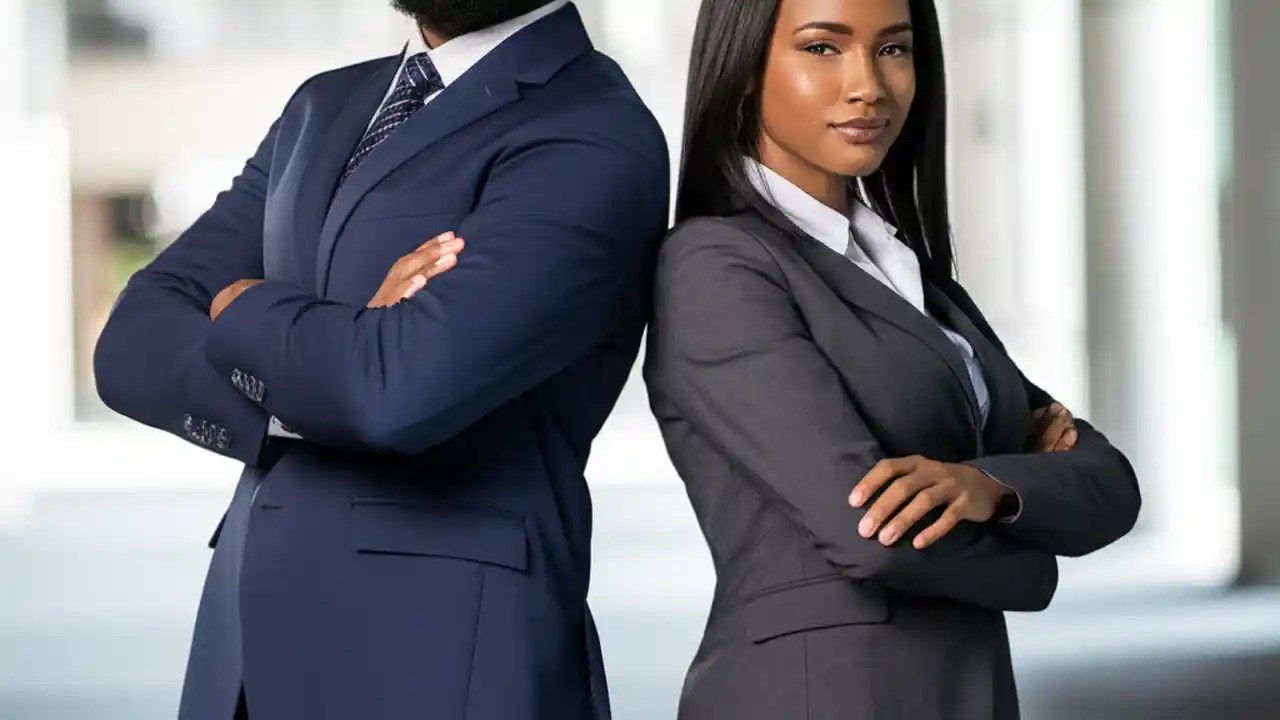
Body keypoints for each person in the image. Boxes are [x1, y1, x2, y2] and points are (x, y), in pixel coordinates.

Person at [93, 1, 669, 718]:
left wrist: (240, 305)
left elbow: (394, 391)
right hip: (241, 661)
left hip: (438, 660)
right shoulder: (323, 105)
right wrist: (329, 367)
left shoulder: (592, 128)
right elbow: (132, 344)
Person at [644, 0, 1141, 717]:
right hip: (820, 693)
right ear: (745, 67)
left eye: (894, 49)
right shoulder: (715, 269)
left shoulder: (908, 273)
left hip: (959, 686)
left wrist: (989, 486)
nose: (869, 85)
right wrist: (1036, 563)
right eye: (823, 49)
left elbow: (1109, 480)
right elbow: (872, 536)